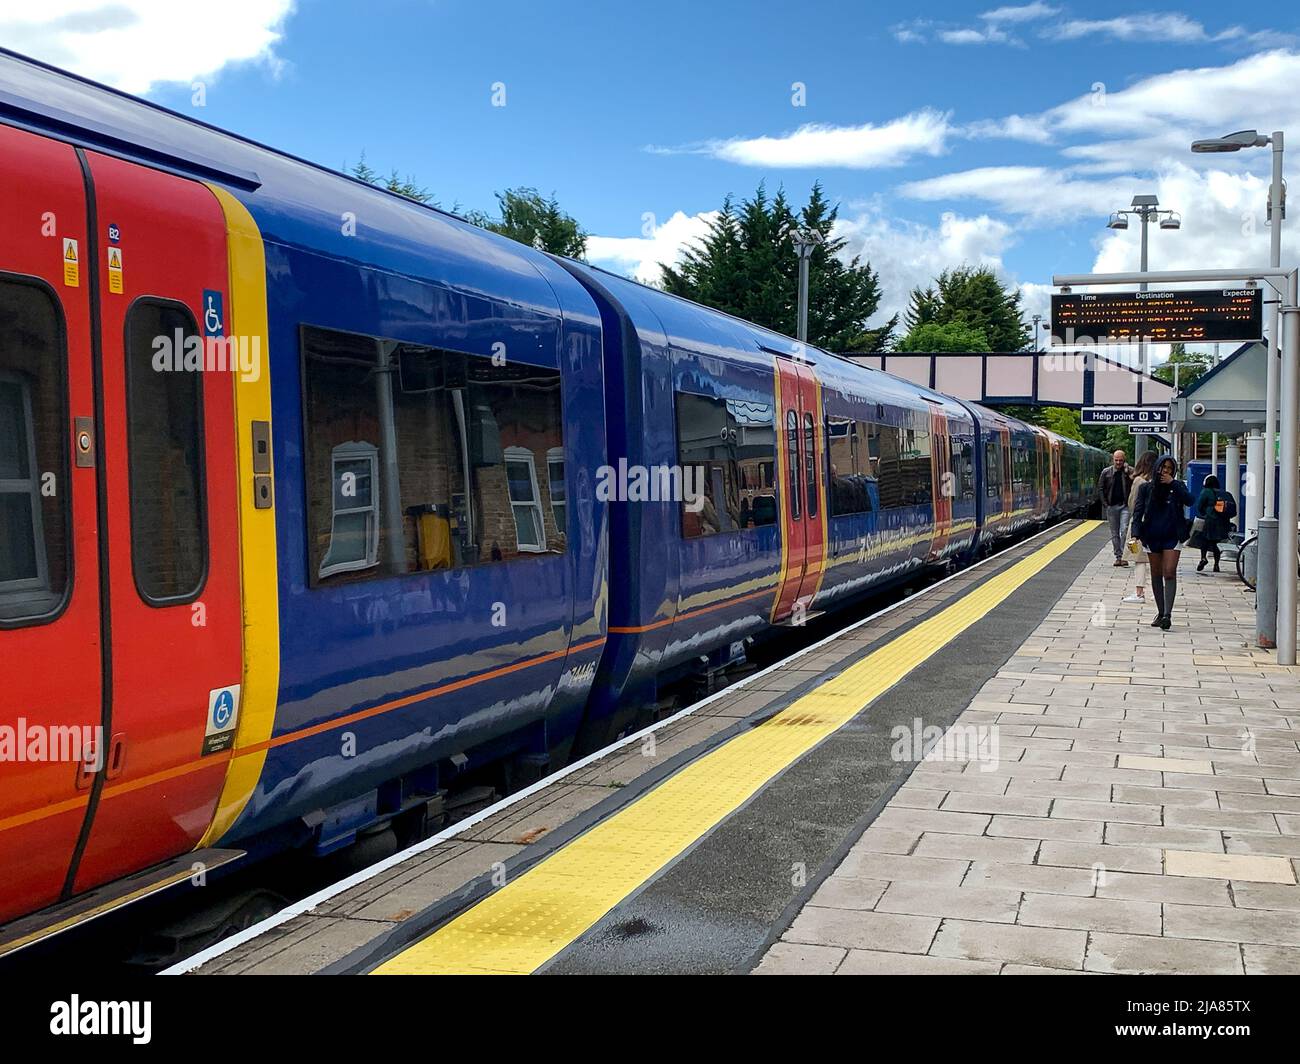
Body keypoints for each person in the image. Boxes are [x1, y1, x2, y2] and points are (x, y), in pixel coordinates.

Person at [1131, 454, 1194, 630]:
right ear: (1156, 468)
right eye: (1163, 467)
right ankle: (1160, 612)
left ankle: (1167, 614)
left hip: (1172, 535)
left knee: (1169, 572)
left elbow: (1190, 501)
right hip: (1151, 535)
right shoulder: (1146, 488)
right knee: (1156, 574)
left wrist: (1173, 483)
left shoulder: (1177, 486)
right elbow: (1138, 512)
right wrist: (1135, 533)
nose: (1165, 471)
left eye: (1169, 469)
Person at [1122, 451, 1157, 604]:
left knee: (1139, 559)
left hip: (1139, 525)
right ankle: (1158, 592)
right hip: (1156, 524)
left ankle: (1139, 592)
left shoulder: (1139, 481)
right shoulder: (1157, 481)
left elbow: (1133, 503)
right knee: (1156, 559)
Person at [1097, 449, 1135, 567]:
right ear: (1113, 460)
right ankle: (1118, 556)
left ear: (1124, 460)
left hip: (1125, 506)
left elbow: (1136, 480)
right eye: (1116, 460)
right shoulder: (1106, 472)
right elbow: (1100, 488)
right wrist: (1105, 503)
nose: (1118, 462)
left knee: (1124, 530)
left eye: (1121, 460)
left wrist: (1128, 471)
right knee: (1114, 533)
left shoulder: (1128, 471)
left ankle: (1124, 556)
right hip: (1111, 506)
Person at [1192, 474, 1236, 572]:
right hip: (1223, 521)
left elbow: (1199, 506)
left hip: (1210, 520)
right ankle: (1216, 565)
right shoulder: (1224, 493)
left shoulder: (1206, 491)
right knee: (1216, 543)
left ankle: (1203, 558)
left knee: (1204, 540)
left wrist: (1204, 513)